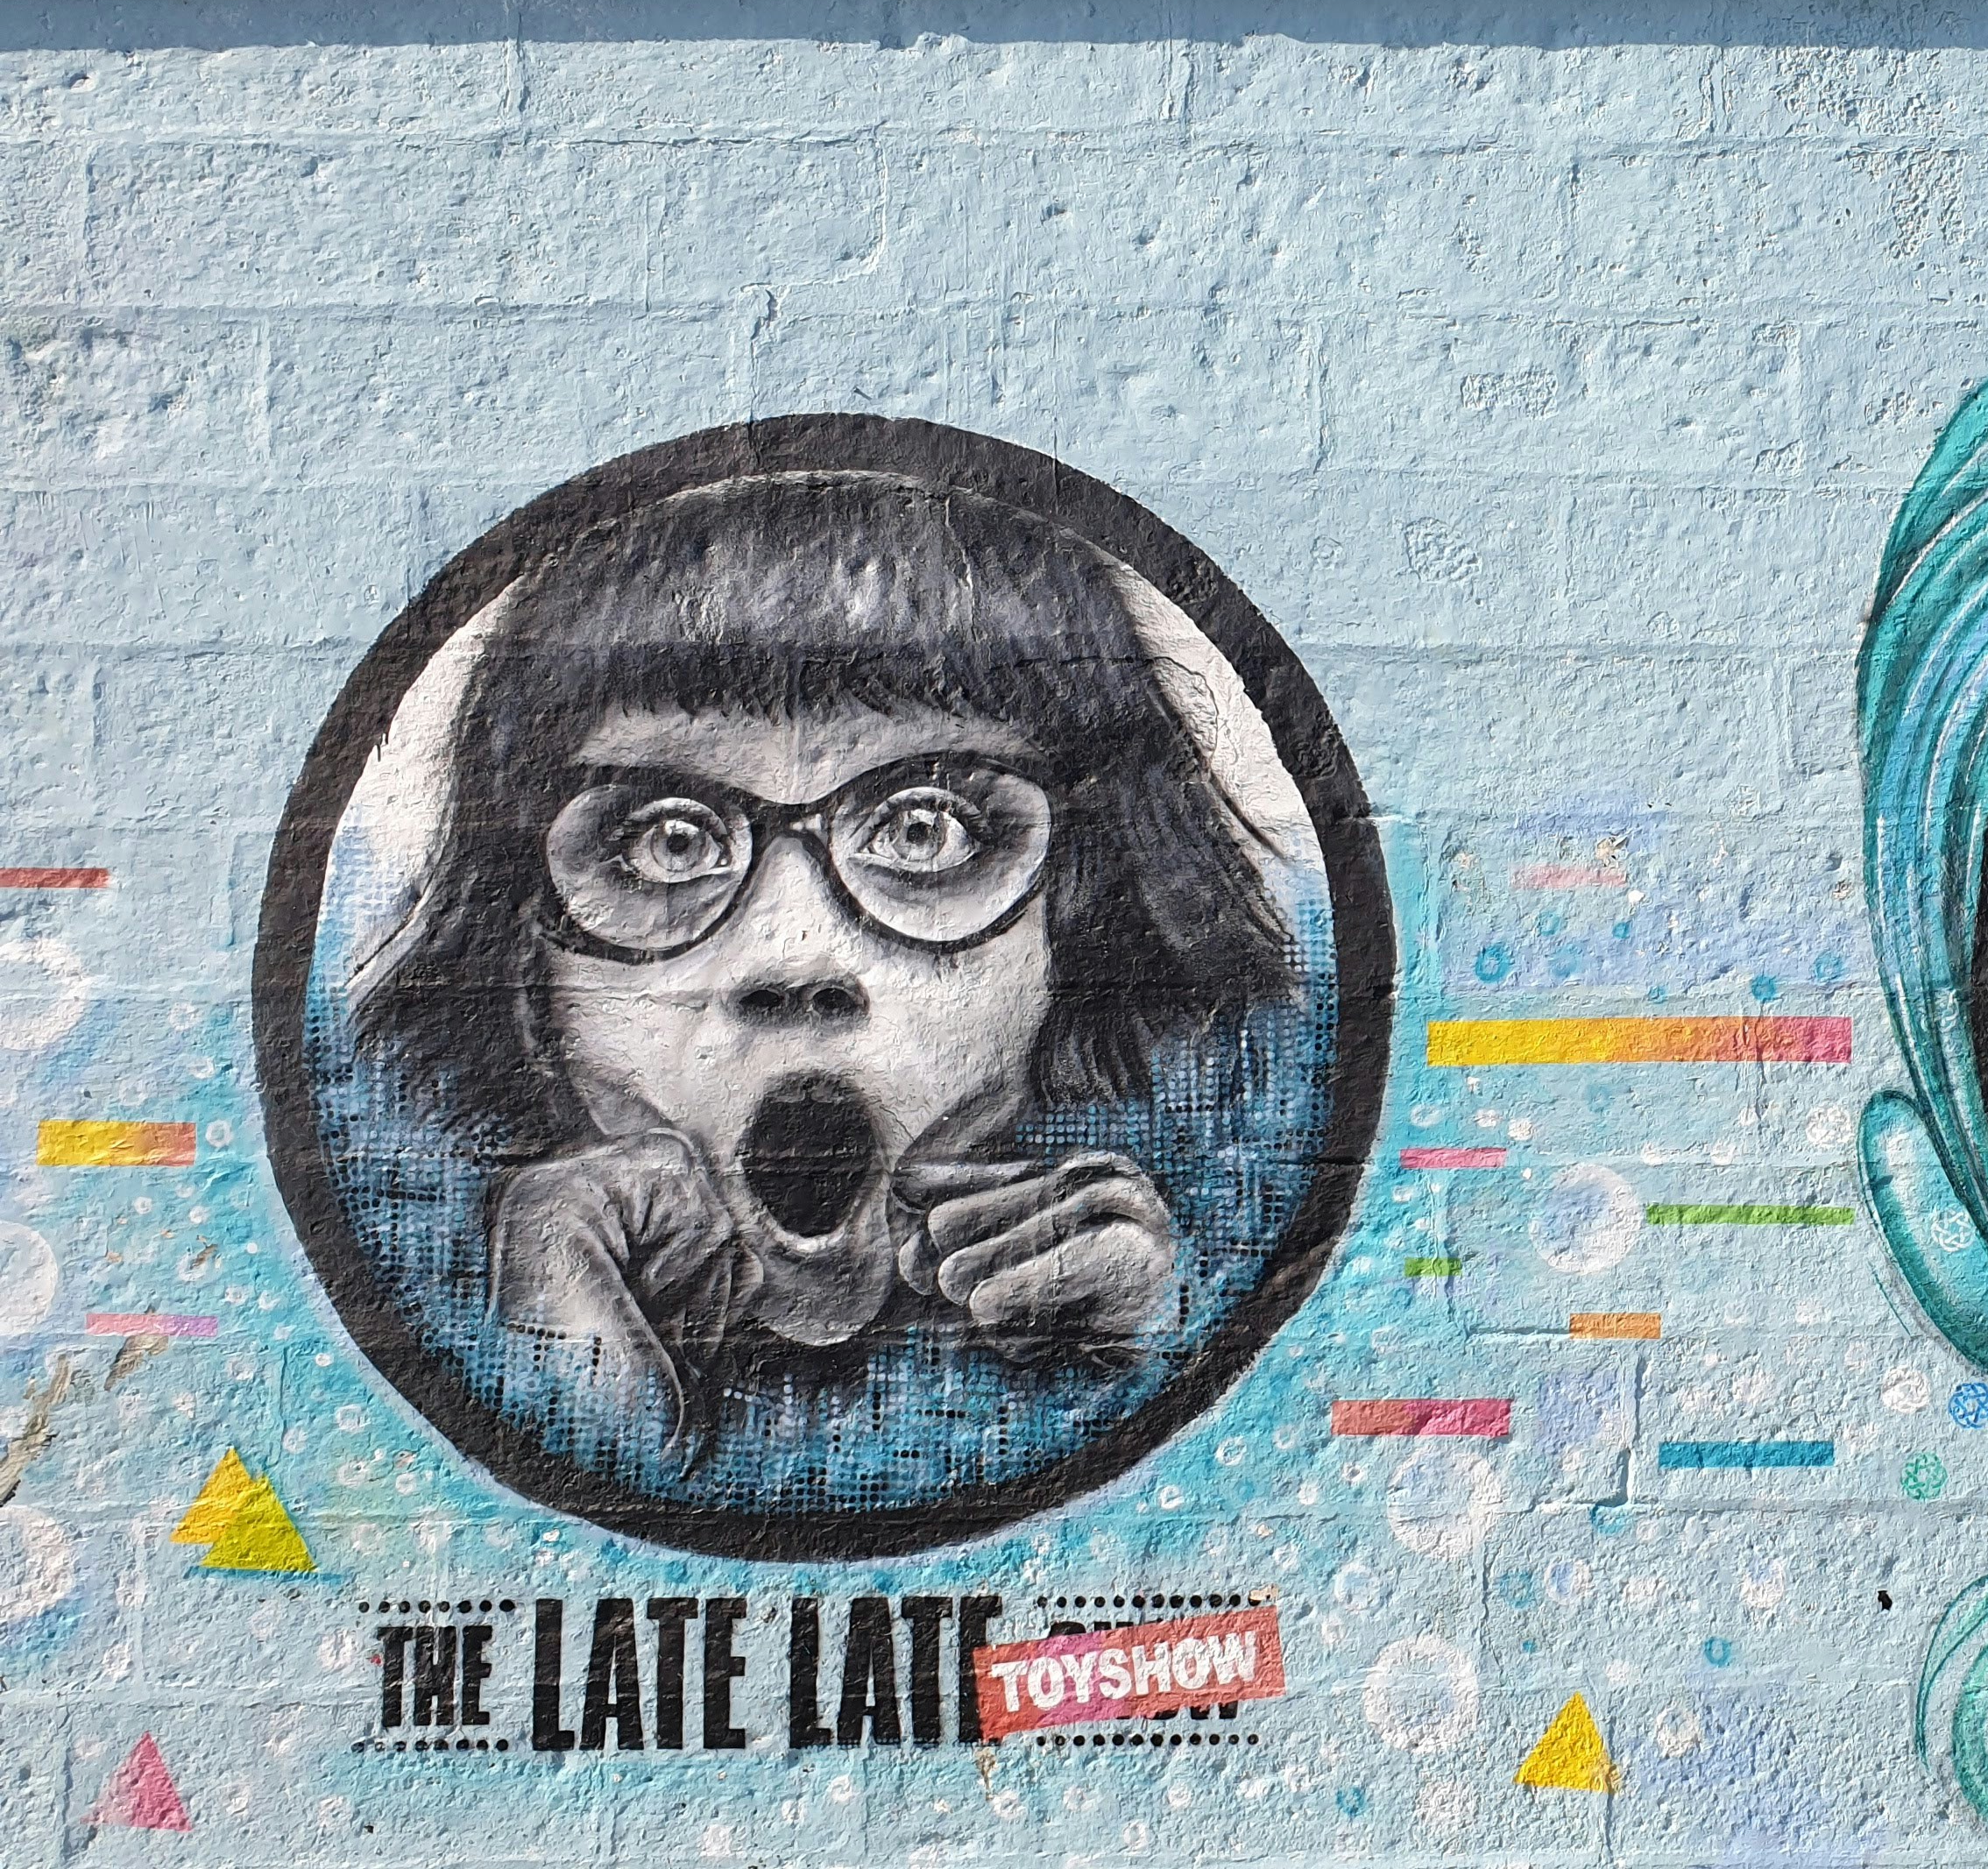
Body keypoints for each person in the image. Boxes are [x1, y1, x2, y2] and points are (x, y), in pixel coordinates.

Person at [348, 467, 1298, 1469]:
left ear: (1086, 915)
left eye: (925, 831)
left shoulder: (1205, 1241)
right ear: (522, 951)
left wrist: (1160, 1357)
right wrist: (573, 1396)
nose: (794, 959)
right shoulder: (428, 1274)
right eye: (667, 842)